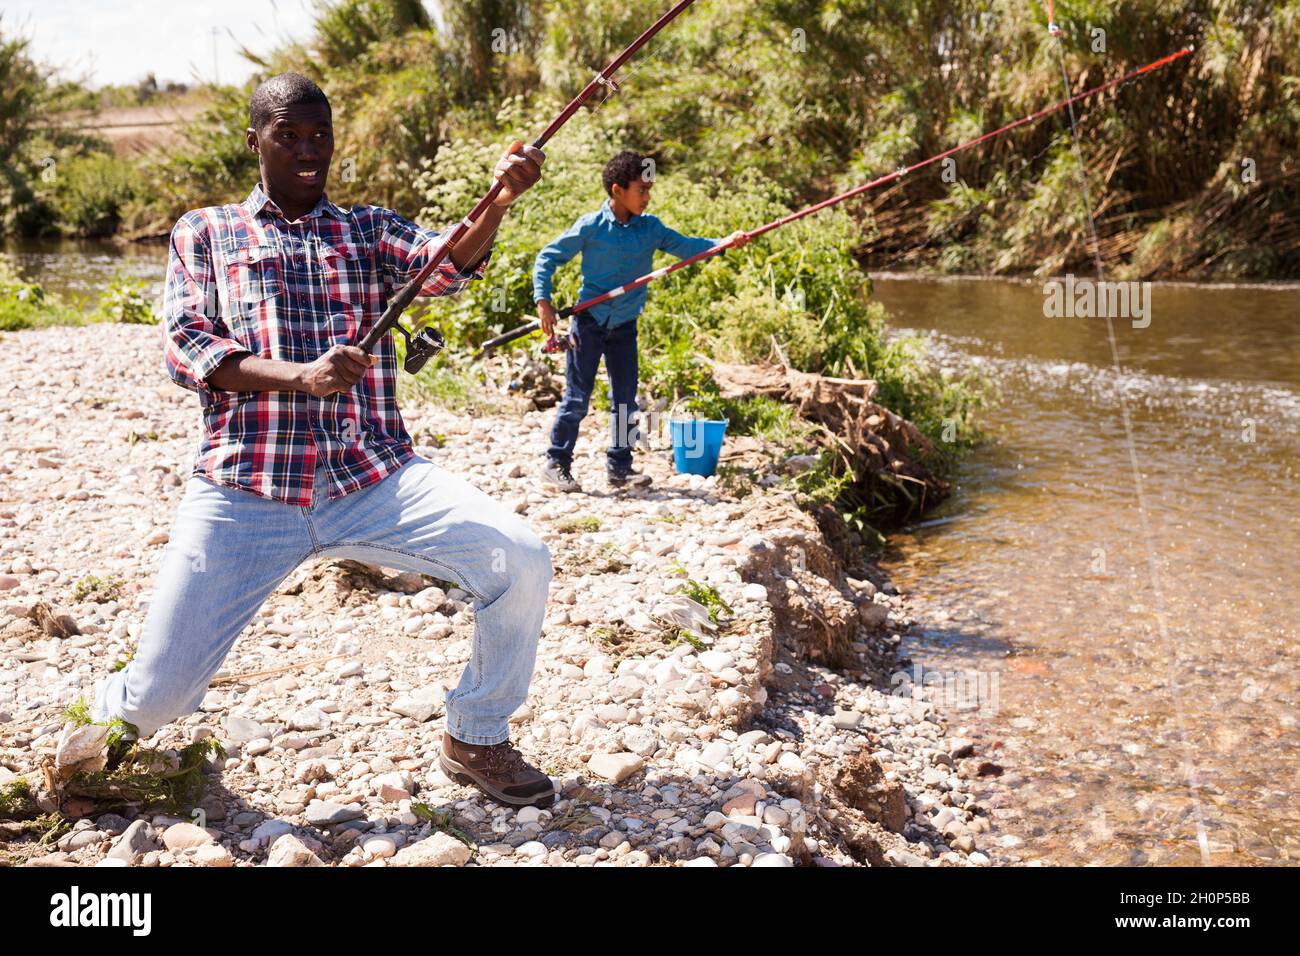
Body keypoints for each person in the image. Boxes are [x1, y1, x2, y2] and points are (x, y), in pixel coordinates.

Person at [90, 73, 558, 808]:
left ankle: (477, 733)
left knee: (520, 559)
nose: (308, 150)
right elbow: (187, 348)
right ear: (255, 141)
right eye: (289, 135)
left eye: (320, 136)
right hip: (246, 489)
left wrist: (498, 201)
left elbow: (447, 266)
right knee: (156, 701)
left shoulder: (367, 227)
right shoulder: (205, 231)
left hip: (372, 477)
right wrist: (300, 378)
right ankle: (94, 734)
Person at [533, 150, 749, 492]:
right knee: (577, 398)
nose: (647, 198)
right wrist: (543, 302)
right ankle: (557, 463)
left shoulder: (651, 229)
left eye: (649, 190)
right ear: (618, 190)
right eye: (641, 190)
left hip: (624, 327)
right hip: (588, 321)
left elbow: (688, 247)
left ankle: (620, 467)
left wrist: (723, 244)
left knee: (625, 401)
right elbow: (548, 257)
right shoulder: (591, 227)